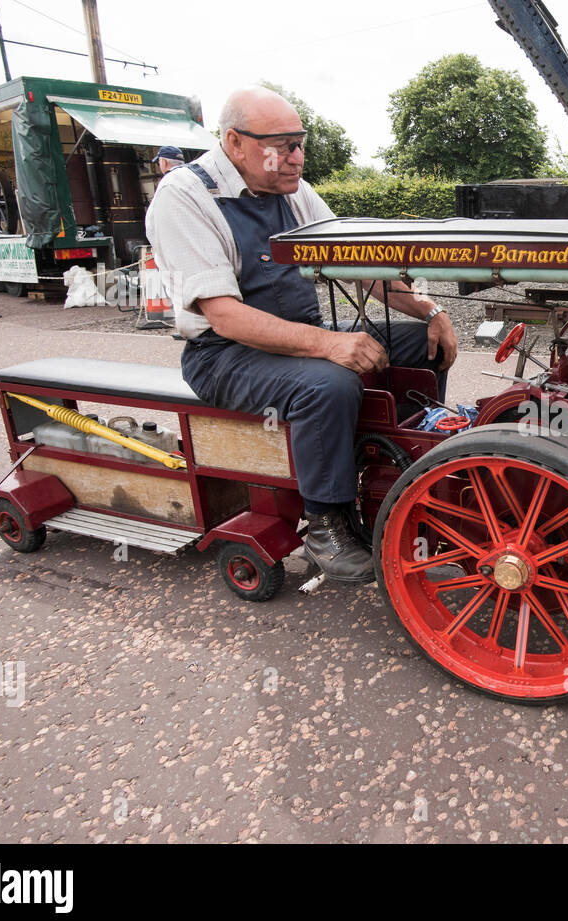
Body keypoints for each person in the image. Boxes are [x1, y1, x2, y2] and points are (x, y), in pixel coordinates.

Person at [145, 86, 457, 585]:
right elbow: (224, 316)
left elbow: (364, 267)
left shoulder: (294, 191)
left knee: (422, 343)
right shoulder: (185, 196)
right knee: (329, 383)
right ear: (234, 142)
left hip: (300, 338)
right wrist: (333, 346)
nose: (297, 157)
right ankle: (325, 523)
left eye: (301, 143)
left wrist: (431, 309)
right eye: (285, 145)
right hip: (223, 354)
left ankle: (403, 470)